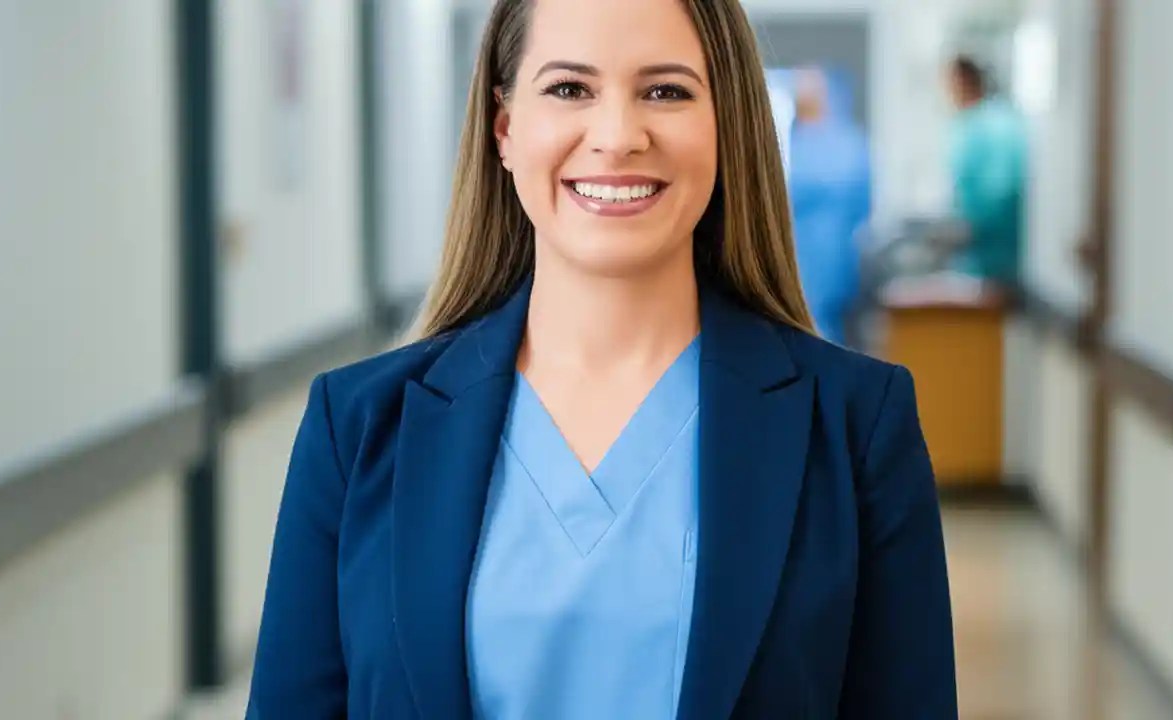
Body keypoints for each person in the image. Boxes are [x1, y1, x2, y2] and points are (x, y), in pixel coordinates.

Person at [246, 1, 956, 718]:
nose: (617, 137)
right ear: (505, 129)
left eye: (666, 91)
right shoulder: (358, 430)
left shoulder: (857, 429)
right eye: (569, 88)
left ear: (727, 127)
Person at [788, 66, 872, 346]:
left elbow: (863, 203)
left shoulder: (844, 143)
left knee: (824, 324)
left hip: (833, 257)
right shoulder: (796, 144)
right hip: (807, 254)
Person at [945, 55, 1027, 289]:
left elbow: (1000, 191)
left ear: (963, 81)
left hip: (993, 254)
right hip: (979, 255)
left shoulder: (991, 126)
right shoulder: (973, 124)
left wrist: (967, 228)